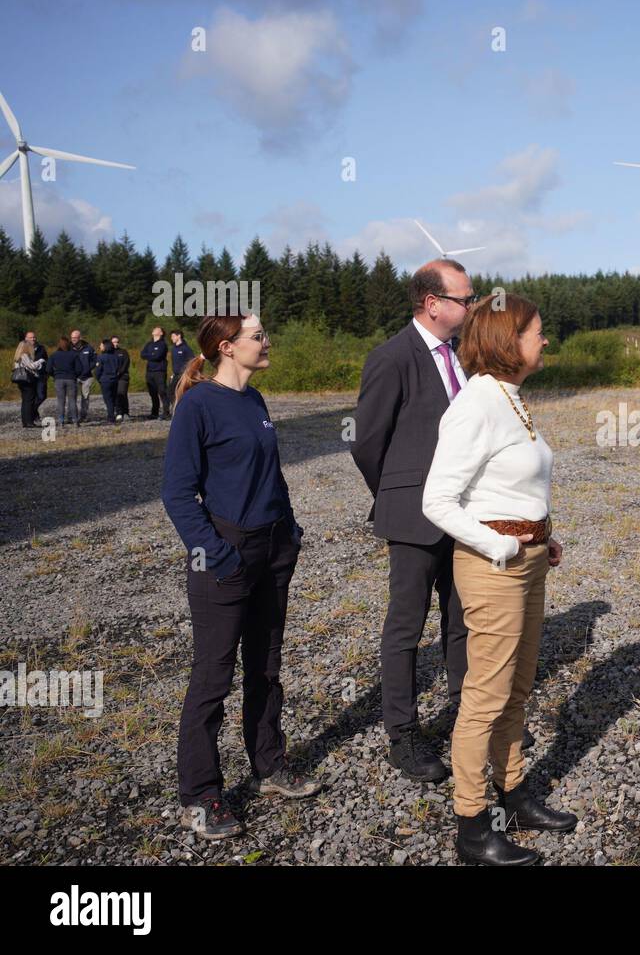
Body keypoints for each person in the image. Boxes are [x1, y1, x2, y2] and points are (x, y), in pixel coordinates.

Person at [422, 292, 574, 866]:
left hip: (527, 559)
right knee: (484, 698)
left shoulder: (511, 399)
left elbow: (513, 487)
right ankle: (471, 825)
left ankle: (513, 795)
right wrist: (501, 544)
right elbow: (438, 500)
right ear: (509, 342)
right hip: (494, 568)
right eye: (537, 331)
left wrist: (541, 534)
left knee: (517, 687)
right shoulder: (476, 403)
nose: (544, 339)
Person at [162, 313, 320, 840]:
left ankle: (269, 765)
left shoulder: (253, 401)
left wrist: (290, 532)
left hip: (274, 549)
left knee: (266, 667)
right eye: (258, 336)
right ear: (227, 348)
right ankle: (202, 794)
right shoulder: (198, 405)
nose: (267, 340)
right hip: (225, 555)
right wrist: (217, 553)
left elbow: (268, 475)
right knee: (213, 677)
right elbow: (179, 494)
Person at [351, 260, 474, 783]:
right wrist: (399, 496)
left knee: (463, 620)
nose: (472, 307)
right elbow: (367, 443)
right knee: (406, 628)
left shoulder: (462, 357)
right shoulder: (391, 358)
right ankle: (402, 734)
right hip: (414, 517)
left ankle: (469, 719)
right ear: (433, 303)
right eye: (465, 299)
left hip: (464, 515)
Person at [12, 337, 44, 428]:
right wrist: (40, 361)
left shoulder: (17, 357)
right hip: (27, 381)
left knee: (25, 401)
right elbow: (32, 366)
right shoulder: (24, 355)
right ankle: (29, 422)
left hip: (20, 381)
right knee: (29, 401)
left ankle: (25, 422)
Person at [48, 336, 80, 427]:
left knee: (61, 401)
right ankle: (75, 420)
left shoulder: (54, 355)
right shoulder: (73, 355)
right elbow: (79, 369)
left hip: (59, 379)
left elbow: (48, 368)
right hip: (71, 379)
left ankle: (61, 421)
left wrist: (55, 375)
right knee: (72, 401)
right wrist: (74, 375)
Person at [93, 339, 127, 423]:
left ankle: (111, 417)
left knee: (108, 399)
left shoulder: (101, 357)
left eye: (101, 345)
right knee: (114, 397)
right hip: (115, 379)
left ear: (105, 346)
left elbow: (97, 371)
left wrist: (99, 379)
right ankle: (118, 413)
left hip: (105, 380)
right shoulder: (115, 357)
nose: (100, 347)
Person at [141, 326, 171, 419]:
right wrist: (152, 355)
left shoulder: (163, 344)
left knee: (162, 392)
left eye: (157, 329)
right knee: (152, 393)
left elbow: (158, 356)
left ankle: (166, 413)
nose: (154, 330)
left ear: (161, 333)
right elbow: (142, 354)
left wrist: (150, 356)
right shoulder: (149, 344)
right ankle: (154, 413)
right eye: (154, 329)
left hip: (159, 371)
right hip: (150, 371)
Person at [69, 329, 95, 424]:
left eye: (75, 338)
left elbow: (94, 360)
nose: (73, 339)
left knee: (85, 397)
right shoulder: (68, 348)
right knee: (72, 397)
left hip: (87, 377)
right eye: (72, 338)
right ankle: (72, 416)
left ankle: (83, 416)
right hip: (74, 377)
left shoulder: (88, 347)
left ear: (80, 338)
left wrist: (88, 369)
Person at [170, 330, 194, 404]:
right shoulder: (173, 349)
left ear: (179, 336)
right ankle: (175, 409)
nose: (171, 338)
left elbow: (192, 361)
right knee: (170, 392)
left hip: (183, 375)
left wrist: (188, 374)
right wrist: (173, 373)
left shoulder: (186, 348)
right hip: (175, 375)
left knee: (183, 393)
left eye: (173, 336)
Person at [110, 335, 131, 420]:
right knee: (114, 395)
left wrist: (120, 372)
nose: (116, 344)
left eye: (117, 342)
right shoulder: (109, 353)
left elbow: (126, 363)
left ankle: (125, 412)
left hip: (122, 377)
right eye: (114, 342)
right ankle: (118, 412)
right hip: (112, 377)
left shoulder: (123, 352)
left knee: (122, 393)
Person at [29, 332, 49, 415]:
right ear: (26, 339)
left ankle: (32, 410)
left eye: (34, 337)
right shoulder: (25, 348)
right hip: (30, 376)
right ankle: (33, 414)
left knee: (42, 396)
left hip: (41, 376)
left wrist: (47, 372)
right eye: (31, 337)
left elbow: (46, 360)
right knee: (32, 396)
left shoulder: (41, 348)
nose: (33, 339)